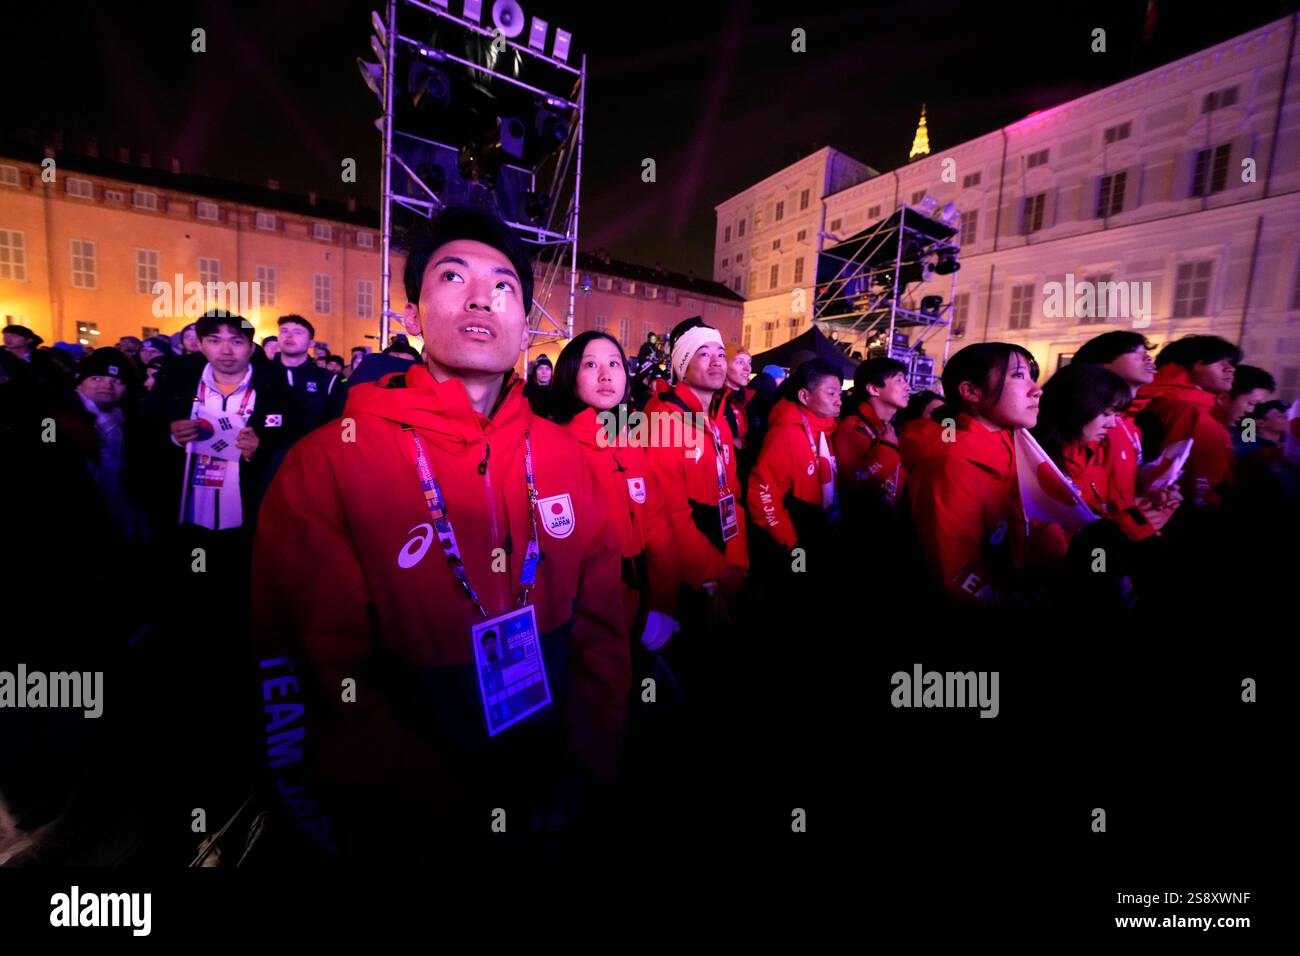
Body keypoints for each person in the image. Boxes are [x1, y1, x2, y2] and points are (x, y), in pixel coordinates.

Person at [251, 207, 630, 856]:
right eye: (453, 277)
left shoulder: (570, 457)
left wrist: (587, 768)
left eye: (505, 285)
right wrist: (432, 817)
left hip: (553, 782)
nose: (483, 296)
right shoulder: (331, 460)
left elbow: (603, 626)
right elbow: (316, 670)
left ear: (525, 327)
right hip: (406, 818)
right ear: (410, 315)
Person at [541, 330, 681, 650]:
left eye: (614, 364)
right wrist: (636, 616)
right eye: (590, 365)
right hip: (595, 618)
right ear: (569, 375)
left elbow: (656, 519)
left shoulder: (628, 437)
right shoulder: (555, 446)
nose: (605, 375)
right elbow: (561, 562)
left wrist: (663, 599)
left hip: (646, 593)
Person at [906, 342, 1043, 606]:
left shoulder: (1016, 446)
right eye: (1018, 376)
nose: (1037, 390)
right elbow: (958, 577)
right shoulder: (949, 466)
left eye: (1031, 376)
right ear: (971, 391)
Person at [644, 317, 748, 611]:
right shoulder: (665, 421)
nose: (716, 362)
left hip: (723, 553)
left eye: (720, 354)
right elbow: (669, 513)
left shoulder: (718, 421)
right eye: (703, 354)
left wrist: (737, 562)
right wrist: (716, 570)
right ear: (683, 368)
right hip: (687, 576)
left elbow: (734, 498)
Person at [747, 359, 843, 553]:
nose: (839, 400)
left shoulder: (826, 429)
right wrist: (792, 547)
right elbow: (763, 494)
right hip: (796, 542)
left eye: (840, 393)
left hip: (822, 532)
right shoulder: (786, 434)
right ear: (804, 396)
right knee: (798, 577)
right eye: (831, 393)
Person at [1134, 335, 1241, 508]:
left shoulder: (1206, 408)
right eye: (1251, 402)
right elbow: (1194, 473)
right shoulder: (1187, 410)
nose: (1230, 369)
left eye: (1231, 364)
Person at [834, 357, 910, 509]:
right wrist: (888, 447)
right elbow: (855, 483)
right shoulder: (852, 429)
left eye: (905, 380)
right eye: (899, 381)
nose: (907, 387)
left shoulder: (891, 427)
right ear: (874, 389)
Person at [272, 314, 346, 440]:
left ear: (311, 343)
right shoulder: (260, 374)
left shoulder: (328, 380)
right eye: (284, 331)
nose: (289, 336)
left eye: (297, 332)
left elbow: (337, 424)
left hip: (312, 453)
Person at [721, 348, 754, 454]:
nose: (747, 368)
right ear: (724, 365)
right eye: (740, 362)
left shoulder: (753, 397)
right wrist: (731, 442)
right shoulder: (713, 398)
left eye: (749, 362)